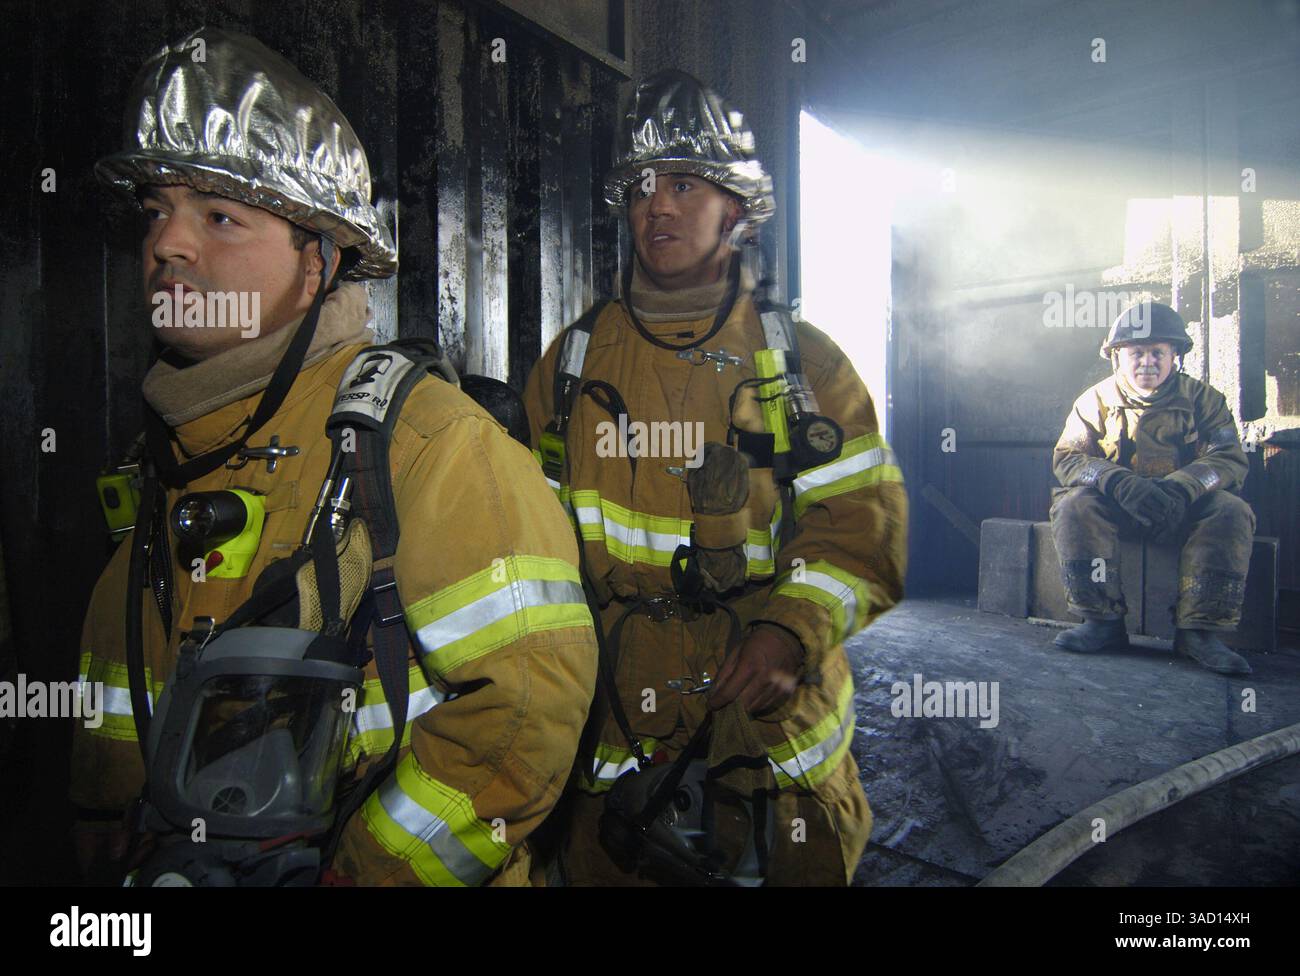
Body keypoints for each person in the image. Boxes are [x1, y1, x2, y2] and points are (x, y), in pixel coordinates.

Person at [71, 26, 596, 886]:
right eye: (156, 210)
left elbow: (528, 711)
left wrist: (362, 873)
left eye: (219, 215)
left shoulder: (426, 444)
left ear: (317, 262)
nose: (168, 244)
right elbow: (117, 701)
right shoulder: (167, 461)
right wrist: (104, 826)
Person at [523, 69, 908, 885]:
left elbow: (861, 528)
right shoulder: (569, 365)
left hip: (762, 693)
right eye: (640, 189)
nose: (656, 205)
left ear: (733, 209)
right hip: (616, 692)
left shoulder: (799, 364)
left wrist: (791, 631)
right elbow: (527, 533)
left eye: (685, 185)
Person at [1050, 301, 1255, 675]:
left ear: (1175, 356)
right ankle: (1102, 622)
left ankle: (1198, 632)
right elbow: (1068, 459)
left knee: (1230, 510)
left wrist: (1182, 488)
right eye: (1137, 353)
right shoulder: (1093, 402)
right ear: (1117, 357)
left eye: (1158, 352)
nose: (1147, 362)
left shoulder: (1205, 401)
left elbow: (1228, 457)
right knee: (1074, 505)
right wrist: (1116, 481)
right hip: (1118, 509)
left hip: (1184, 509)